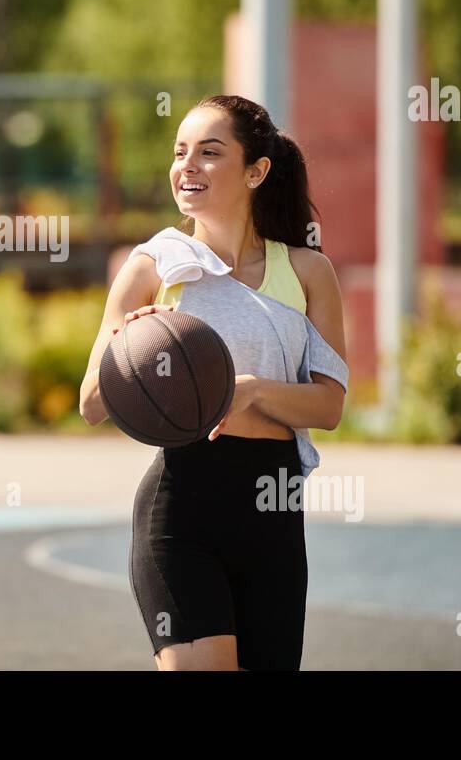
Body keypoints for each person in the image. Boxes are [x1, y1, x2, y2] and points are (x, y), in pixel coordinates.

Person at [79, 94, 348, 671]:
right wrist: (132, 347)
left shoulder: (306, 271)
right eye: (180, 153)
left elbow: (328, 406)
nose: (187, 166)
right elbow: (92, 403)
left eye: (209, 152)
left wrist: (249, 389)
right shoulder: (152, 267)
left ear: (256, 171)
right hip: (183, 505)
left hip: (275, 510)